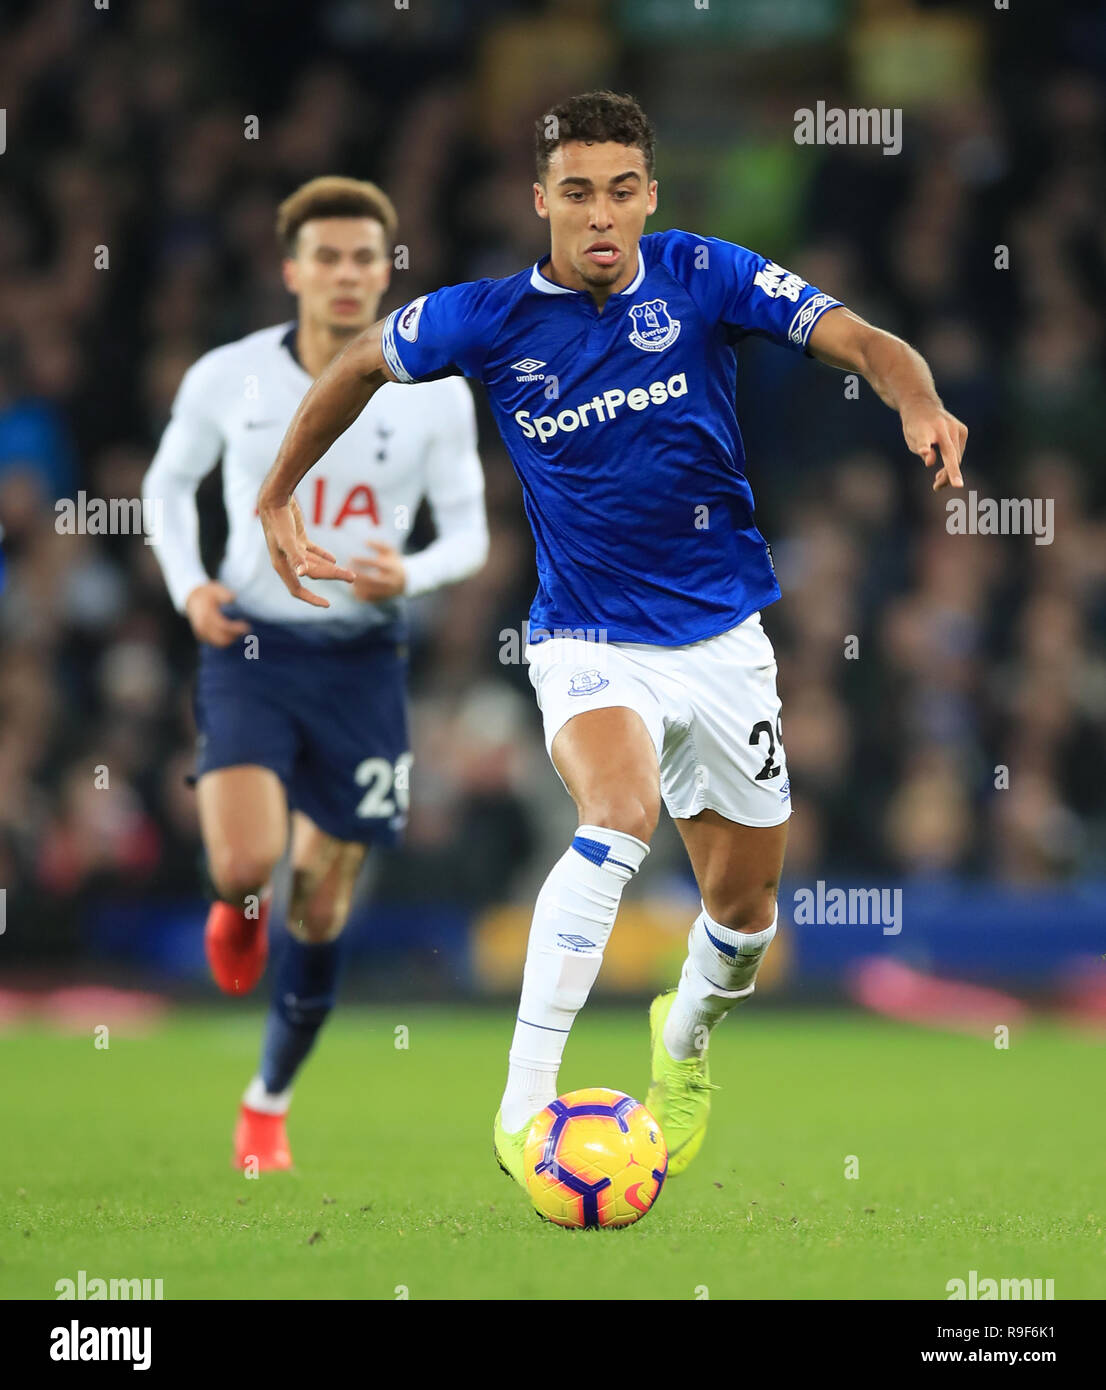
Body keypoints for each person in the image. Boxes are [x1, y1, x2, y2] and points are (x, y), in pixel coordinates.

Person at [254, 94, 967, 1186]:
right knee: (617, 812)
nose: (599, 216)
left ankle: (679, 1043)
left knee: (742, 921)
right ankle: (522, 1103)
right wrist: (277, 497)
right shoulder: (483, 318)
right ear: (541, 200)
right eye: (576, 192)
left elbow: (862, 339)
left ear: (647, 199)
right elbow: (354, 362)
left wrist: (914, 400)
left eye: (620, 192)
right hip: (586, 639)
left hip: (724, 638)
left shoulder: (702, 275)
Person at [142, 177, 488, 1170]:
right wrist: (190, 587)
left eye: (364, 258)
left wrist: (407, 571)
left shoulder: (435, 392)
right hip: (250, 646)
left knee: (322, 904)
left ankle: (266, 1100)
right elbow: (168, 484)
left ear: (387, 271)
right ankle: (234, 901)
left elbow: (466, 533)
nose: (346, 275)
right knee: (249, 867)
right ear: (291, 270)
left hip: (364, 660)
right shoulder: (228, 376)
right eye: (327, 258)